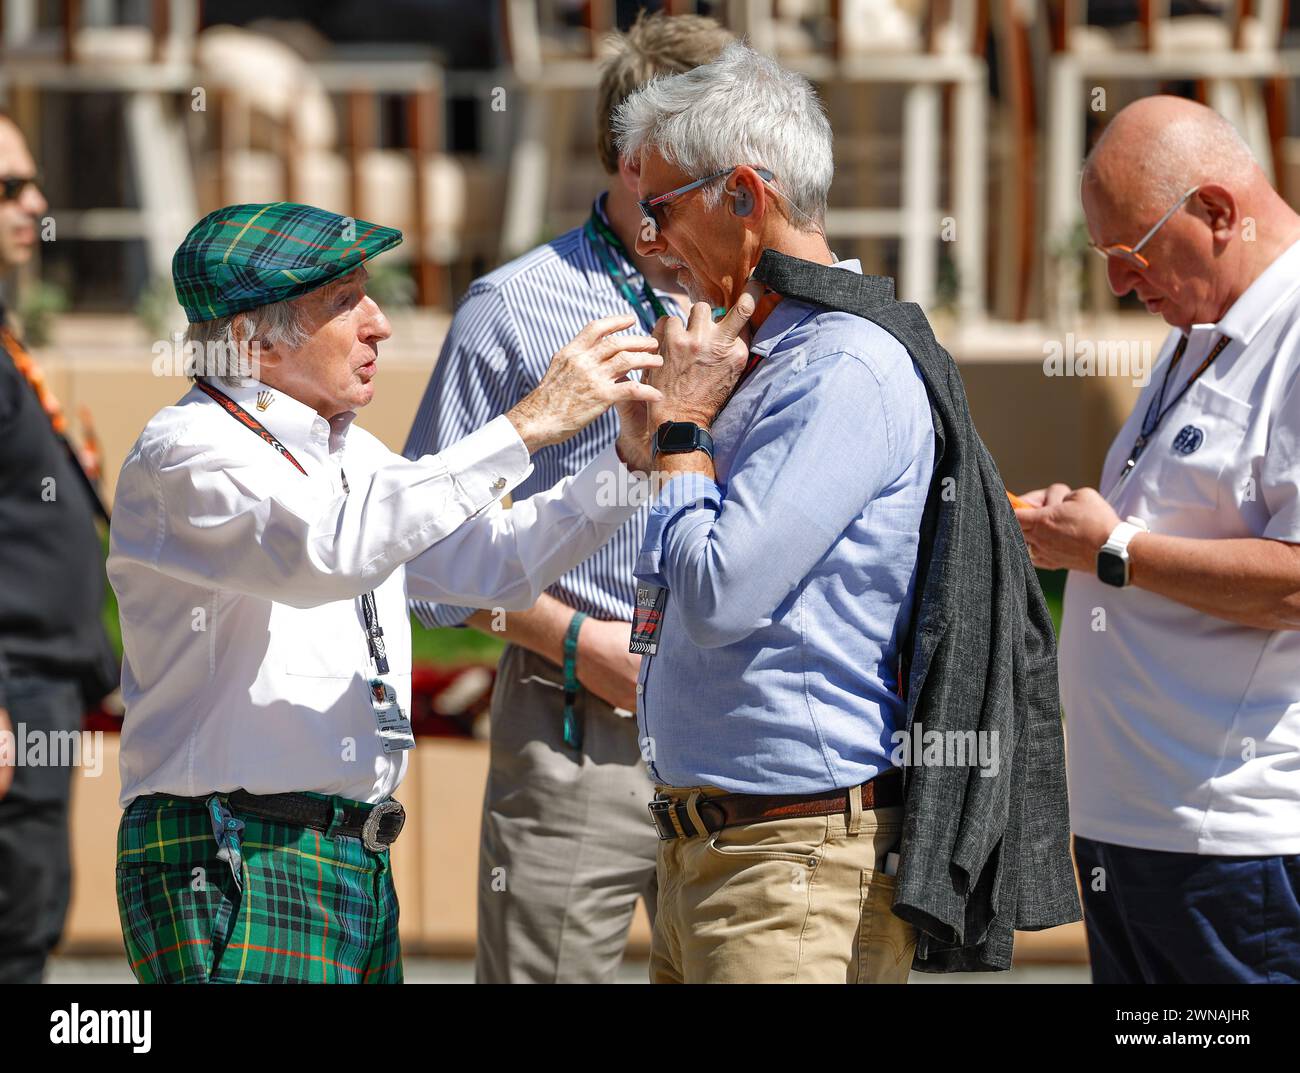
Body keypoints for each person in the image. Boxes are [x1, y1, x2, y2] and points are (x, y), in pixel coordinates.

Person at [106, 200, 710, 983]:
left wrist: (627, 458)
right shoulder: (186, 452)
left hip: (339, 856)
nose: (379, 324)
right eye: (344, 301)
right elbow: (335, 548)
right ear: (252, 340)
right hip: (232, 850)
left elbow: (495, 566)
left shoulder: (350, 455)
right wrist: (529, 423)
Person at [403, 11, 732, 983]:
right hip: (578, 736)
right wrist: (580, 646)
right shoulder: (510, 308)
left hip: (744, 734)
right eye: (723, 157)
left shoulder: (780, 301)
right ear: (640, 161)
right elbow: (428, 566)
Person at [1017, 95, 1300, 983]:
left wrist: (1114, 549)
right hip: (1139, 835)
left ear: (1217, 212)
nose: (1118, 286)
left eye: (1130, 254)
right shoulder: (1204, 325)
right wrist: (1086, 534)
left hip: (1232, 849)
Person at [0, 110, 117, 984]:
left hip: (40, 686)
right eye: (9, 189)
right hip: (11, 689)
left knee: (29, 922)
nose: (34, 204)